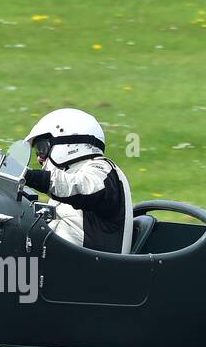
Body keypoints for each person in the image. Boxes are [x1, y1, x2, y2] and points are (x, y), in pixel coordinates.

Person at [21, 108, 133, 254]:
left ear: (69, 143)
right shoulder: (67, 176)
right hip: (61, 260)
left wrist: (29, 176)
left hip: (91, 269)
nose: (39, 158)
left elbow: (81, 188)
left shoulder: (103, 170)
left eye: (42, 148)